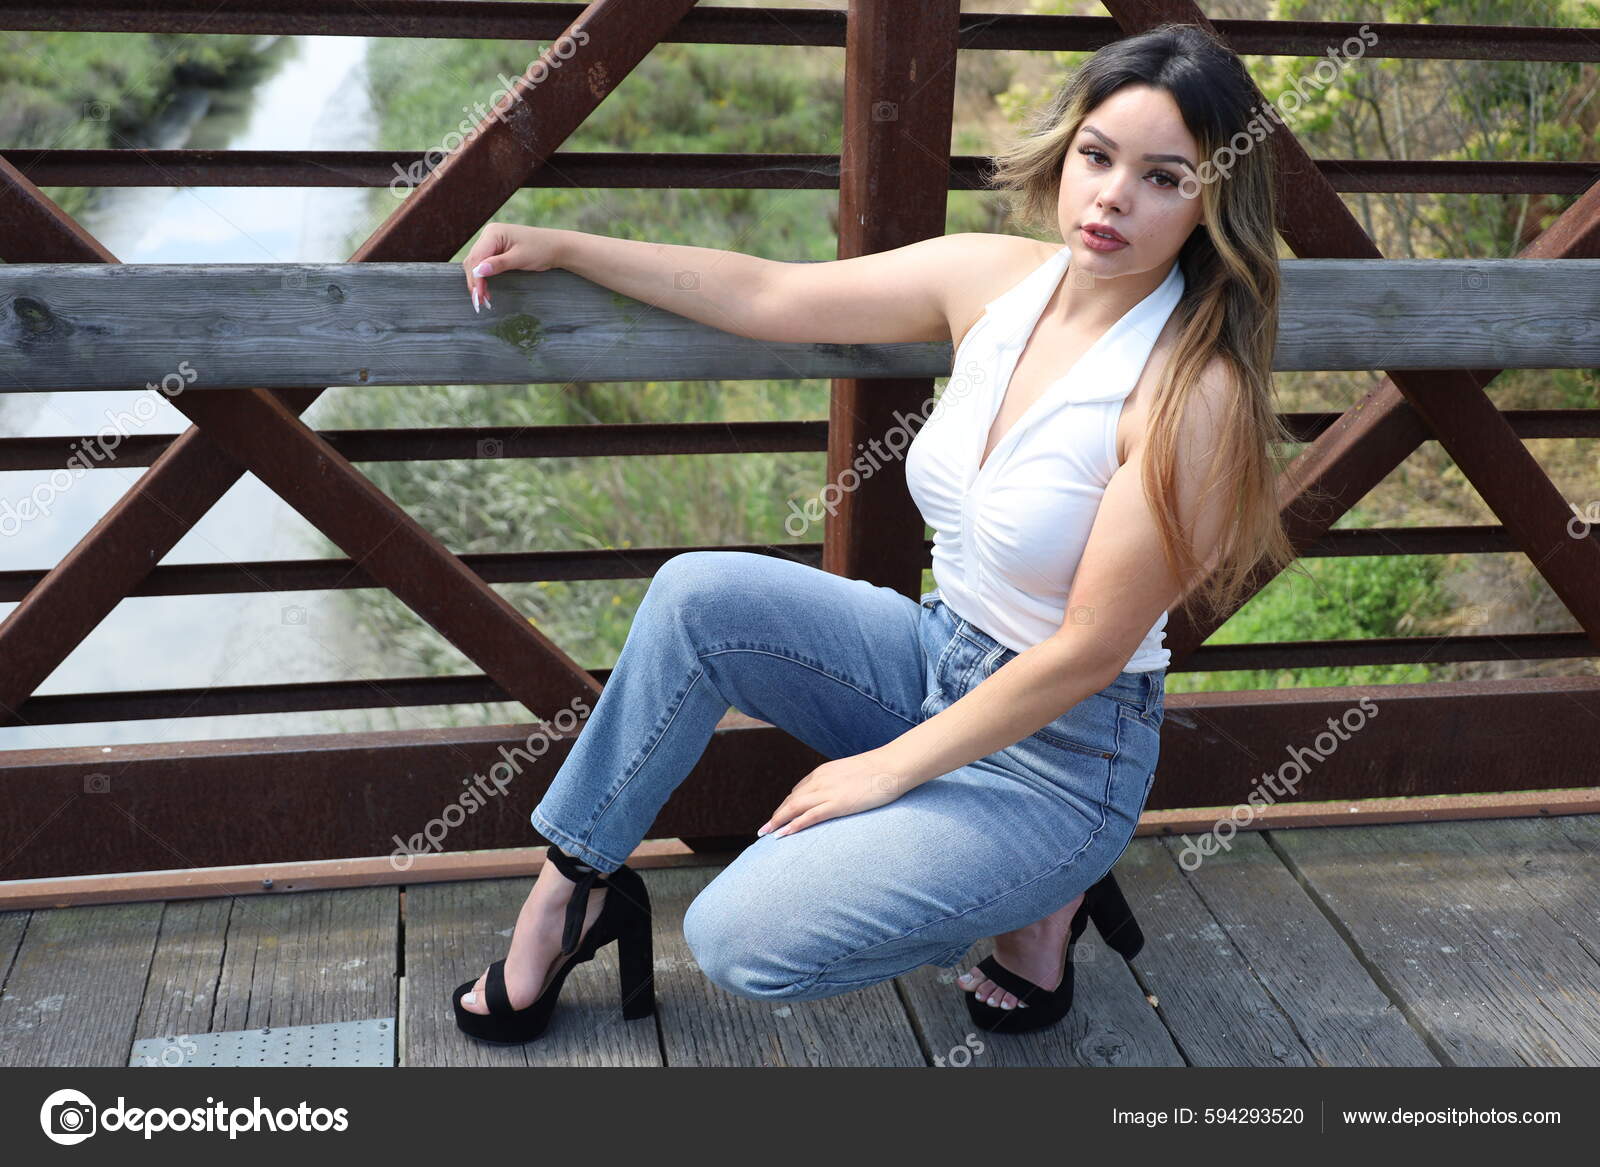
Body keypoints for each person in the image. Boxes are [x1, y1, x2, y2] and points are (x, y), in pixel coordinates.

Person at [450, 21, 1298, 1045]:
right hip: (937, 657)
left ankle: (1038, 897)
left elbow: (1088, 651)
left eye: (1165, 177)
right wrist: (567, 246)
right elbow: (773, 293)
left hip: (1060, 757)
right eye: (1097, 156)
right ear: (1066, 150)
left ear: (1213, 201)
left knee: (738, 941)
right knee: (697, 599)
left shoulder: (1188, 393)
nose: (1113, 195)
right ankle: (570, 892)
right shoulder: (994, 279)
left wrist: (886, 771)